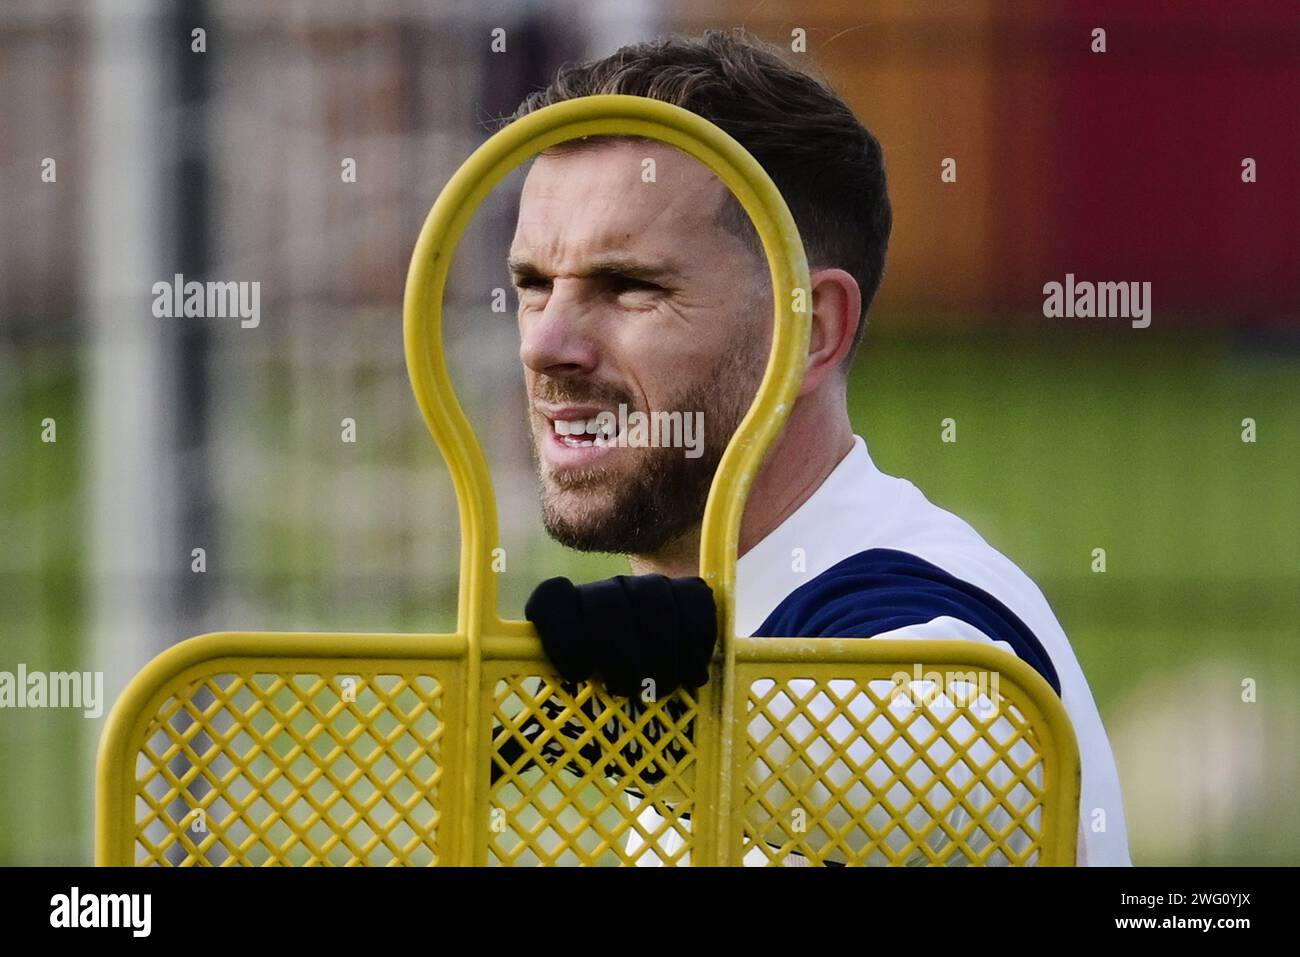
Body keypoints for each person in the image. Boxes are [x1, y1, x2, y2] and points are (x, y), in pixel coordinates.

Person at [501, 29, 1130, 866]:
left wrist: (677, 724)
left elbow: (970, 768)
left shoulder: (921, 615)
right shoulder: (718, 628)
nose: (548, 343)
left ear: (810, 329)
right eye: (535, 285)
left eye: (631, 286)